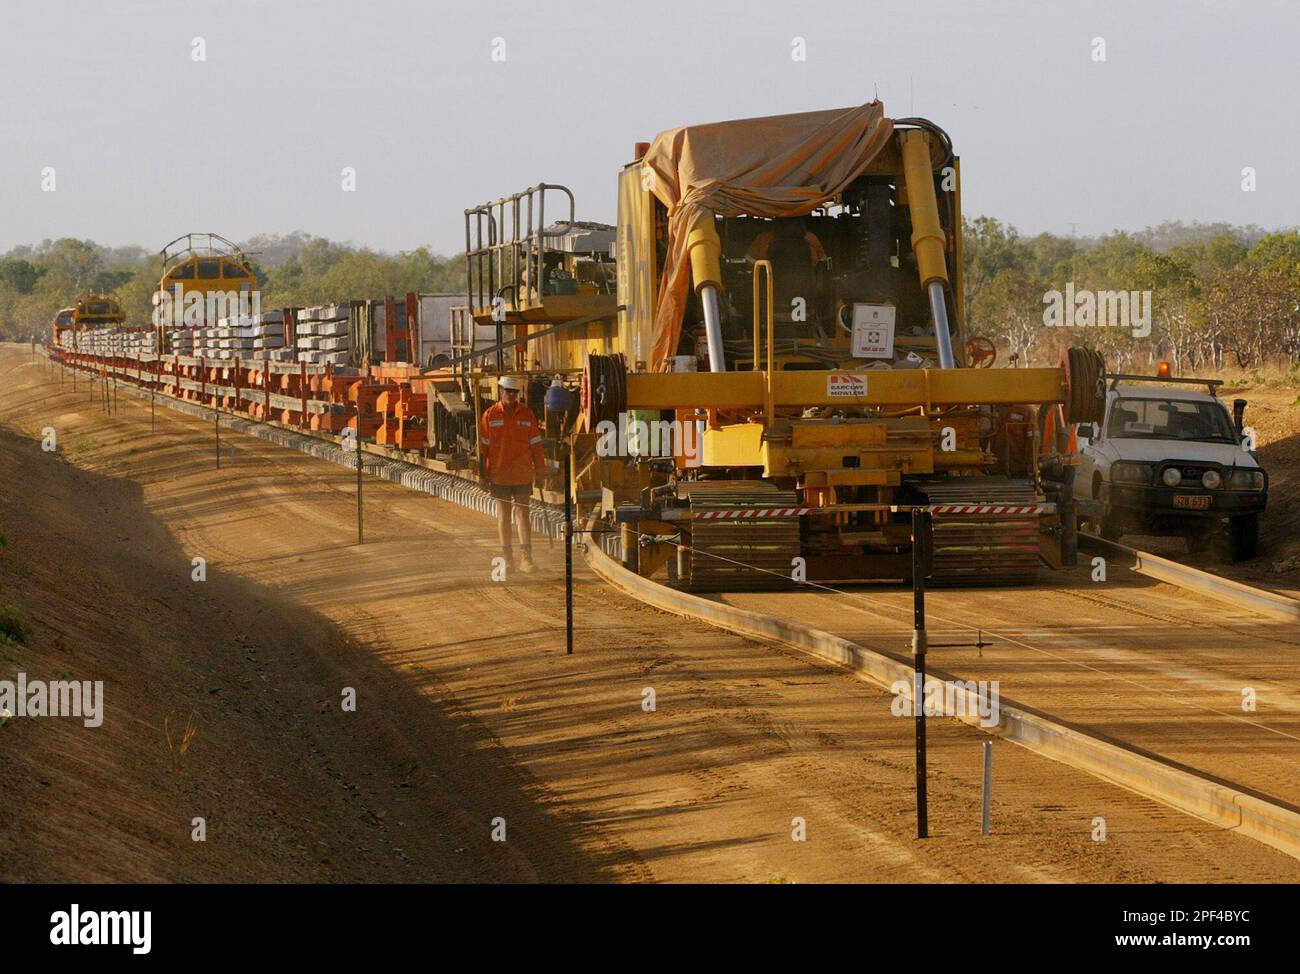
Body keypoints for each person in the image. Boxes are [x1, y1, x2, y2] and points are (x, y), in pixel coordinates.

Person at [480, 375, 547, 574]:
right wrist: (482, 475)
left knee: (523, 513)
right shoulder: (490, 415)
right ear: (500, 391)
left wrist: (540, 471)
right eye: (508, 391)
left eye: (514, 392)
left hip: (522, 473)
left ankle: (526, 558)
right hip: (499, 473)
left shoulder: (527, 415)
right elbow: (483, 449)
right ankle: (507, 559)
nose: (511, 395)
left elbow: (536, 445)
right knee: (503, 515)